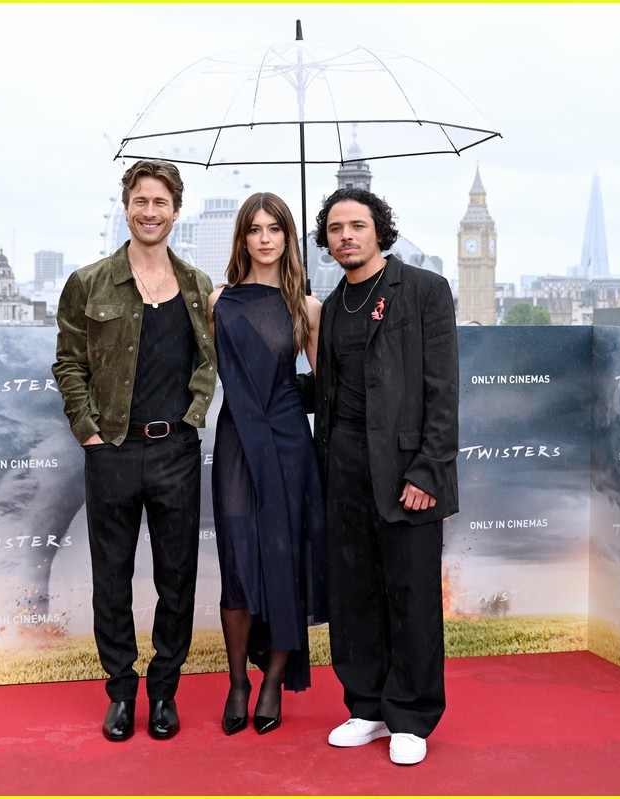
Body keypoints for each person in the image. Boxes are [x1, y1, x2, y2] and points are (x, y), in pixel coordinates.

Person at [52, 159, 216, 743]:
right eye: (140, 201)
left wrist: (193, 417)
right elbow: (68, 363)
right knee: (112, 577)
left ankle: (164, 690)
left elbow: (208, 361)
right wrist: (89, 432)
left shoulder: (198, 286)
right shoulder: (89, 282)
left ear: (176, 211)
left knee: (178, 577)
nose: (150, 212)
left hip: (176, 450)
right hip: (113, 451)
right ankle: (121, 691)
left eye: (160, 202)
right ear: (127, 209)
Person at [311, 187, 459, 766]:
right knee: (354, 594)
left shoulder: (423, 290)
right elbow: (329, 392)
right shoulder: (331, 305)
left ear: (380, 231)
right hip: (342, 464)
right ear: (326, 240)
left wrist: (428, 469)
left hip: (406, 469)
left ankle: (411, 716)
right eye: (335, 228)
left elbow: (442, 390)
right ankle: (367, 706)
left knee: (411, 594)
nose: (346, 236)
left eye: (357, 225)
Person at [207, 192, 326, 737]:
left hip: (288, 443)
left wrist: (289, 392)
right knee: (237, 559)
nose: (264, 238)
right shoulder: (218, 301)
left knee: (284, 558)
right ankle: (237, 682)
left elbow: (324, 386)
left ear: (287, 237)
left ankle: (273, 681)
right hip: (236, 439)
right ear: (242, 237)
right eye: (254, 229)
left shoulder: (307, 307)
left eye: (274, 228)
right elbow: (220, 372)